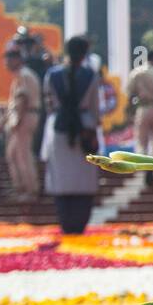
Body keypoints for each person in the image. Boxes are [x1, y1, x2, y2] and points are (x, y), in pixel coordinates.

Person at [41, 35, 102, 234]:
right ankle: (80, 224)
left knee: (61, 178)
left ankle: (66, 223)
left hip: (58, 127)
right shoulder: (91, 75)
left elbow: (49, 105)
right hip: (84, 127)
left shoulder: (52, 74)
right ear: (85, 53)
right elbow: (94, 109)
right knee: (84, 178)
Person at [3, 47, 41, 201]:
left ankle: (30, 190)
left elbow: (22, 99)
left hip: (25, 116)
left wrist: (16, 120)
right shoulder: (21, 75)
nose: (6, 63)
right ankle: (20, 188)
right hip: (24, 116)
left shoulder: (23, 75)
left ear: (18, 59)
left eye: (9, 58)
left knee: (22, 155)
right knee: (12, 154)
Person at [125, 49, 153, 162]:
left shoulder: (137, 72)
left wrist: (129, 112)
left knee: (142, 141)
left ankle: (144, 168)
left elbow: (130, 94)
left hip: (143, 108)